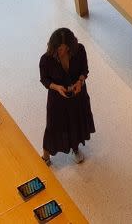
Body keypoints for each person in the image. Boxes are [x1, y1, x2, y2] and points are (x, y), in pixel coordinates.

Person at [39, 28, 95, 165]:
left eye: (64, 48)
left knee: (76, 121)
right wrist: (57, 87)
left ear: (70, 46)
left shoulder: (79, 50)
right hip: (57, 98)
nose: (61, 52)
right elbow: (44, 80)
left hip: (77, 94)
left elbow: (84, 70)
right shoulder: (46, 59)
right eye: (58, 48)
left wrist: (80, 82)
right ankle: (46, 156)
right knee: (53, 125)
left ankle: (74, 148)